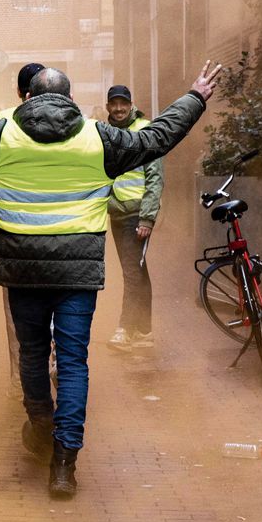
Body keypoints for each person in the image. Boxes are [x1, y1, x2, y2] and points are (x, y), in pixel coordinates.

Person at [0, 42, 221, 497]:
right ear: (69, 100)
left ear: (29, 97)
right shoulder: (98, 138)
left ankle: (41, 426)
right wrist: (195, 97)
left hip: (22, 271)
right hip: (76, 276)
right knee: (72, 363)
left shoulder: (1, 135)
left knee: (32, 355)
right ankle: (65, 464)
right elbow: (157, 138)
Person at [0, 63, 45, 401]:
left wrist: (3, 190)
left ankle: (20, 379)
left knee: (17, 313)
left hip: (12, 231)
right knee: (58, 306)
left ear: (20, 92)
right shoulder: (74, 123)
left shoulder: (3, 121)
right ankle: (54, 369)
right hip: (63, 232)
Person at [104, 85, 160, 351]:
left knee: (131, 272)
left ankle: (126, 328)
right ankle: (144, 331)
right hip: (117, 214)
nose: (118, 109)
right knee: (138, 271)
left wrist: (147, 218)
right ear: (107, 107)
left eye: (122, 104)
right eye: (113, 104)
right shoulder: (108, 134)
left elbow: (155, 178)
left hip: (136, 215)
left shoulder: (145, 130)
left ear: (131, 104)